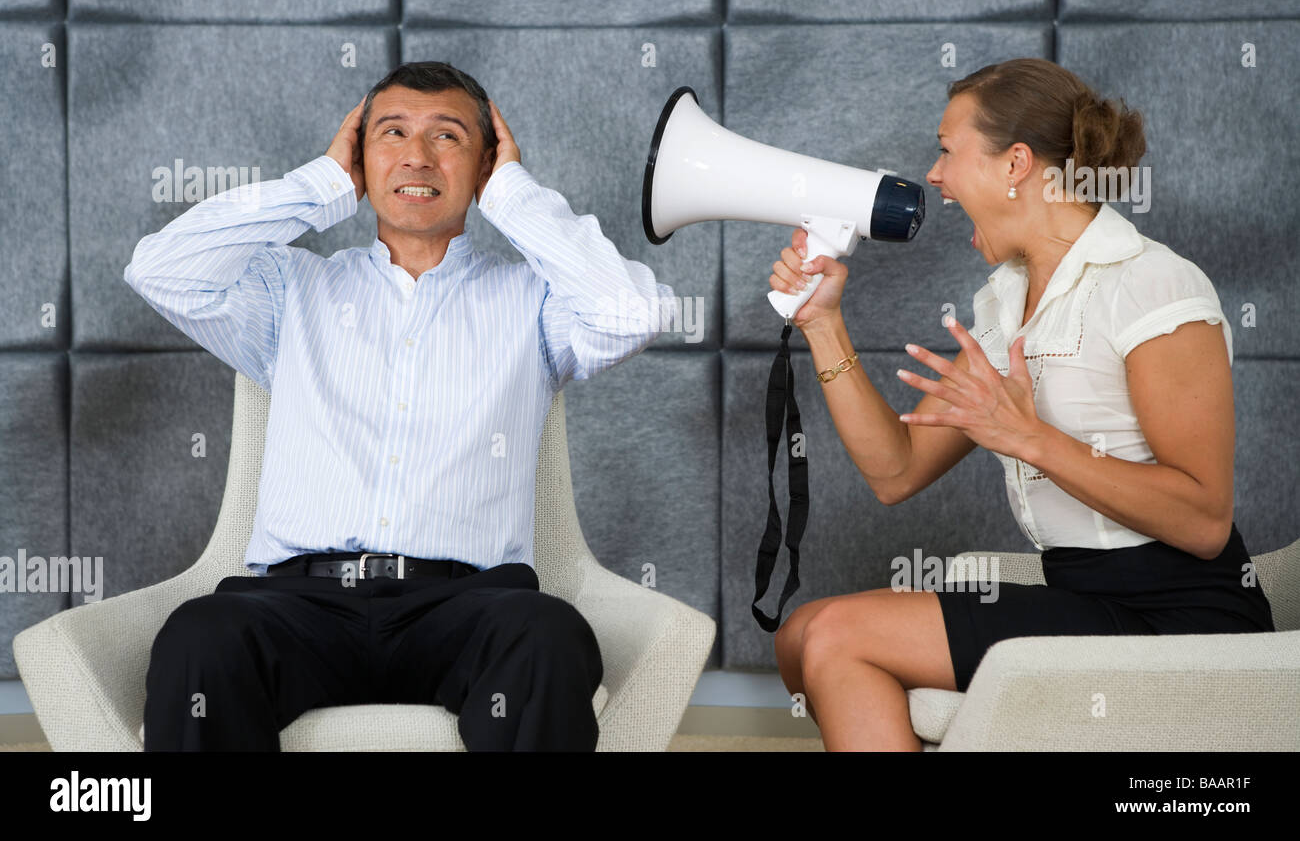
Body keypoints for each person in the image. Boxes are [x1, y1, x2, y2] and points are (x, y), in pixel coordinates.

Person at [124, 61, 675, 750]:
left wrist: (515, 196)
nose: (417, 155)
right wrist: (318, 187)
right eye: (392, 133)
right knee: (199, 638)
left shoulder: (534, 301)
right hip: (297, 604)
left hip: (471, 608)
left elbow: (633, 313)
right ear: (360, 158)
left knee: (547, 636)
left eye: (447, 137)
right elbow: (158, 269)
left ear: (484, 167)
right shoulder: (291, 290)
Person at [766, 57, 1275, 751]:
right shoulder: (1006, 303)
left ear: (1015, 164)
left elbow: (1205, 520)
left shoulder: (1153, 286)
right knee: (797, 640)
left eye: (948, 150)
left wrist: (1030, 438)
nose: (935, 175)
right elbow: (896, 473)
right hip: (1086, 597)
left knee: (834, 638)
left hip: (1181, 615)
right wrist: (824, 325)